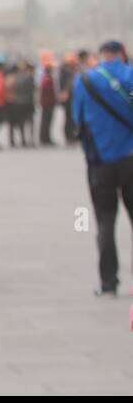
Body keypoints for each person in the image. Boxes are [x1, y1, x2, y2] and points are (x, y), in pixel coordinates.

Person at [70, 40, 133, 297]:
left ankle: (108, 282)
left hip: (100, 163)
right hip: (131, 158)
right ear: (121, 54)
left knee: (105, 222)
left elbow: (78, 120)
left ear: (101, 56)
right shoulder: (130, 77)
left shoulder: (84, 81)